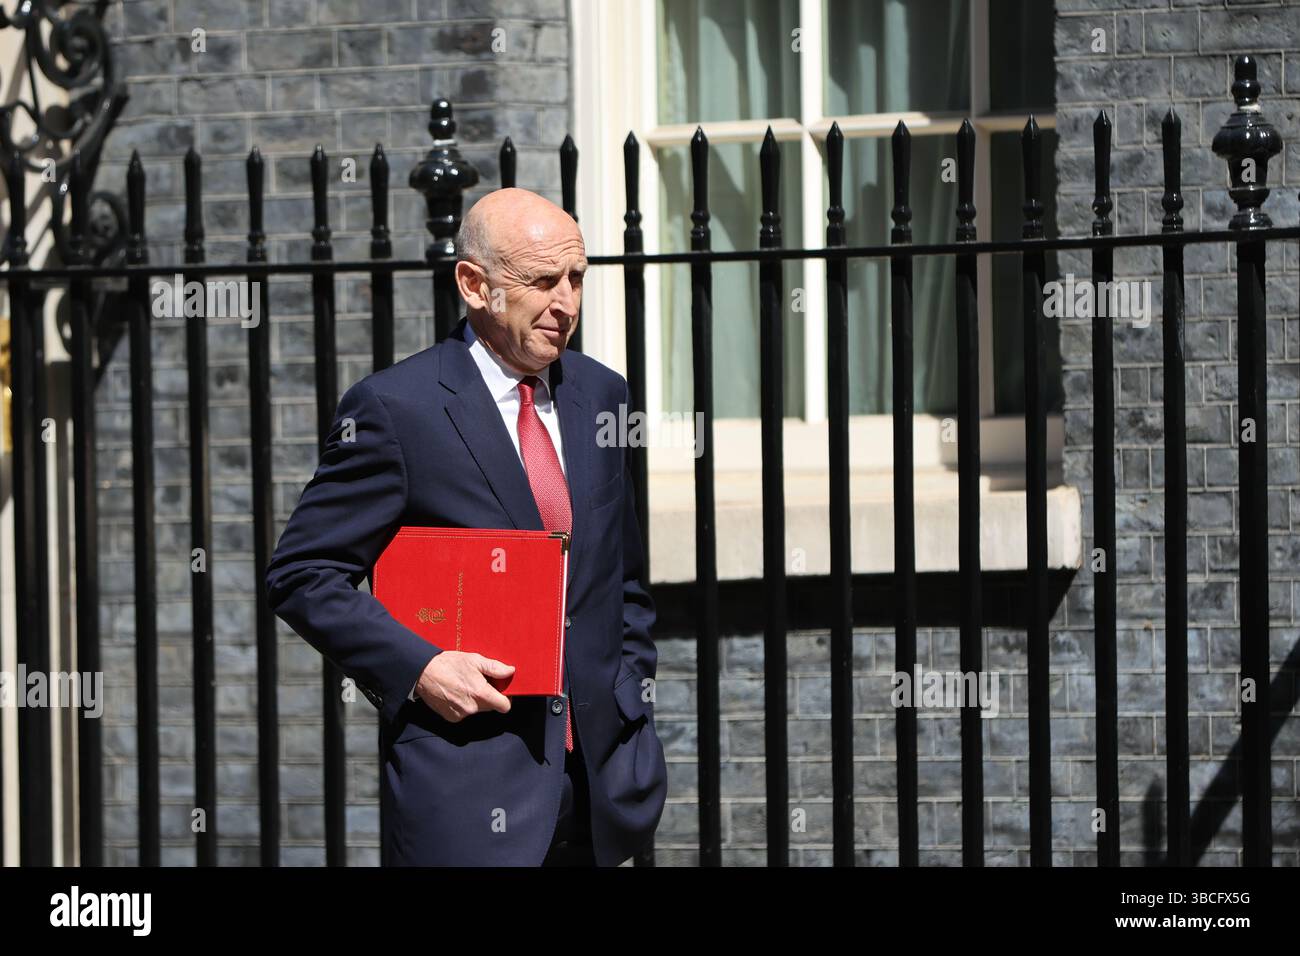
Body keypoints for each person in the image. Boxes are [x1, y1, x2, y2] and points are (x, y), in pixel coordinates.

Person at [265, 188, 667, 866]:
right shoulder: (397, 409)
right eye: (542, 281)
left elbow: (622, 578)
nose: (565, 302)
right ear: (475, 285)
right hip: (466, 795)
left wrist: (631, 697)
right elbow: (303, 575)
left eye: (576, 278)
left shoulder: (601, 394)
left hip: (599, 792)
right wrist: (419, 667)